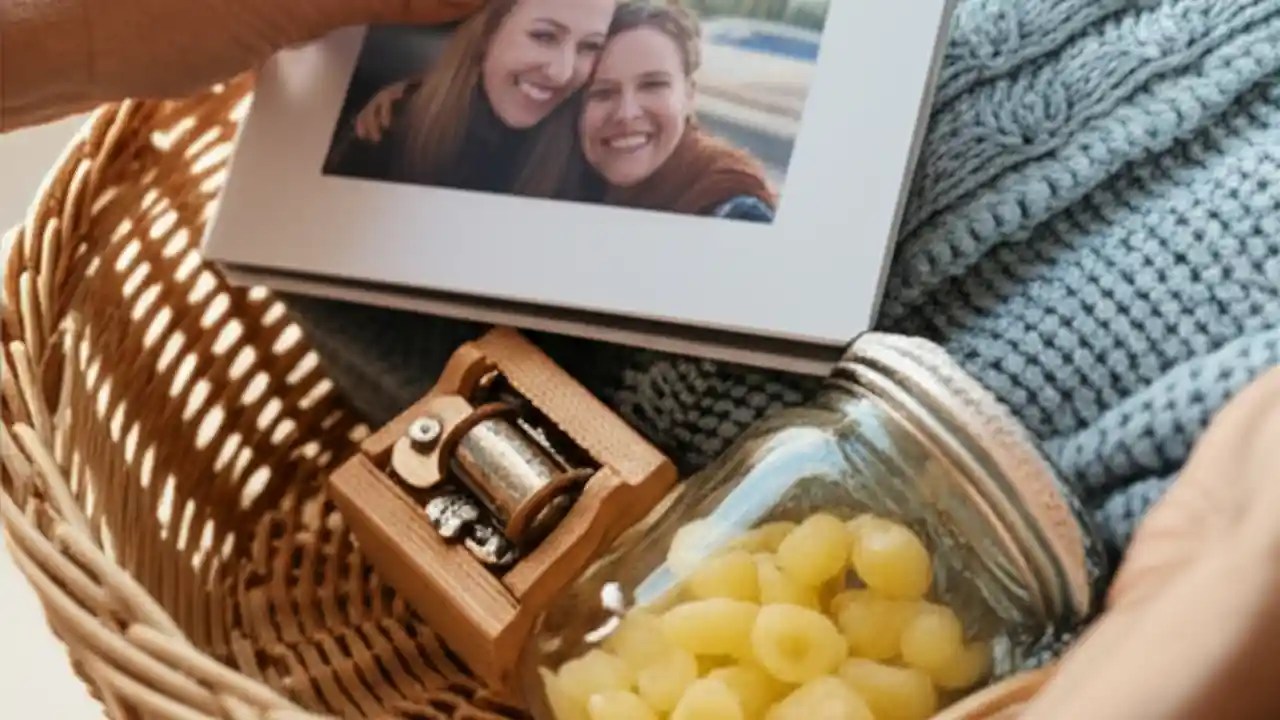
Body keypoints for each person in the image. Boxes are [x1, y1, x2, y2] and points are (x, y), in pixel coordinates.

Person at [2, 2, 1279, 718]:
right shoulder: (464, 153)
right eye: (570, 65)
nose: (593, 92)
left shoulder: (715, 193)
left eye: (632, 77)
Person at [325, 0, 616, 199]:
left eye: (590, 47)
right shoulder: (387, 125)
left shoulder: (591, 149)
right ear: (487, 33)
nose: (562, 73)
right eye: (544, 36)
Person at [578, 2, 779, 221]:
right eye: (602, 92)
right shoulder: (566, 183)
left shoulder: (731, 208)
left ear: (689, 95)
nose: (626, 113)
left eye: (653, 85)